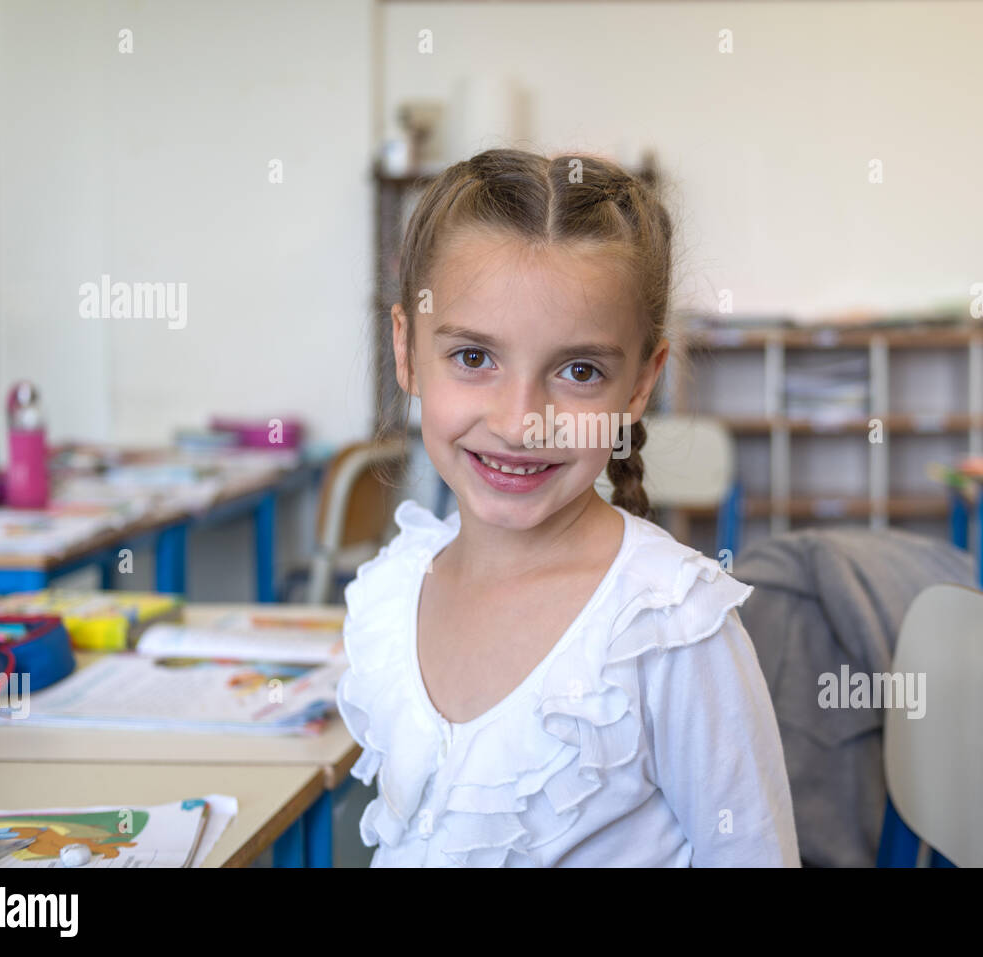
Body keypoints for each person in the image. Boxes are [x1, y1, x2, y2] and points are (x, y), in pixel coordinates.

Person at [336, 147, 799, 866]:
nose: (523, 422)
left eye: (579, 371)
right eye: (473, 358)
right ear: (406, 349)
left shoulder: (670, 628)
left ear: (641, 383)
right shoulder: (397, 591)